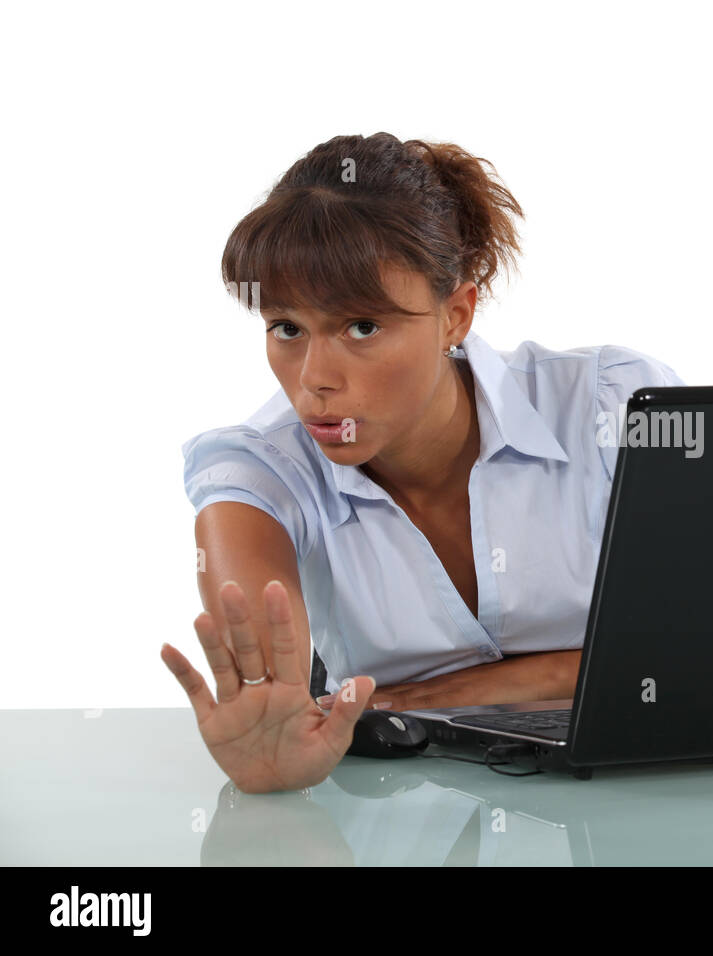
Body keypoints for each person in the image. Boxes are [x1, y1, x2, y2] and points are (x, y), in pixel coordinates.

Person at [159, 133, 684, 793]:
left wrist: (402, 701)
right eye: (287, 327)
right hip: (404, 814)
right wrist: (279, 756)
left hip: (651, 790)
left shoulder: (613, 403)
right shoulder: (256, 471)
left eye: (362, 327)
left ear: (455, 316)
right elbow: (275, 689)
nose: (314, 380)